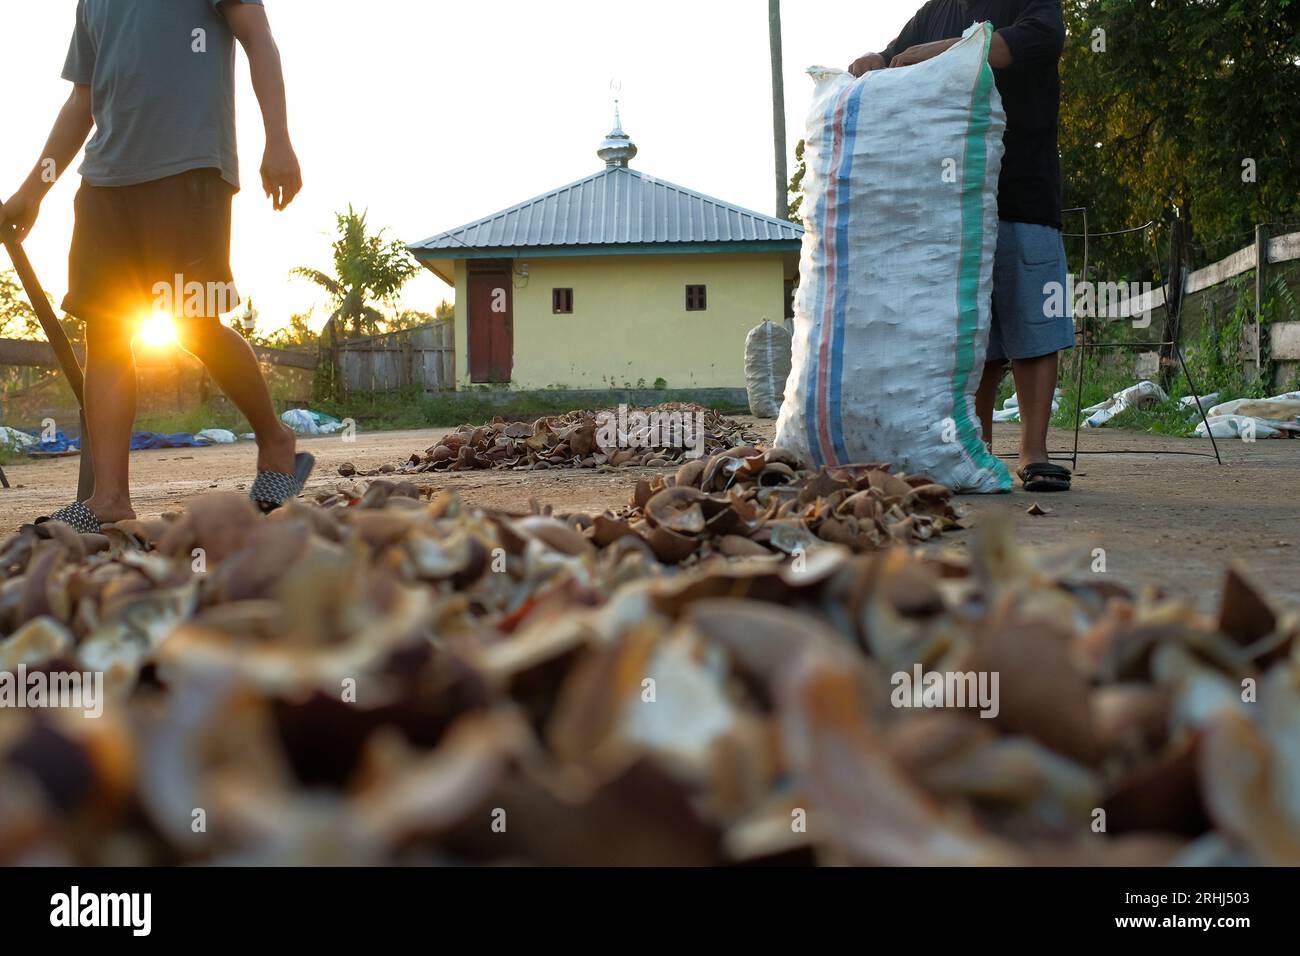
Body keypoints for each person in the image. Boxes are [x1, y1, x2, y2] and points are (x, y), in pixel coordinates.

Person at [1, 0, 312, 532]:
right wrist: (33, 192)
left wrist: (278, 138)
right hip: (104, 181)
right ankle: (110, 499)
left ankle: (275, 439)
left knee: (194, 319)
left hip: (189, 168)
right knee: (106, 332)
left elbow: (257, 37)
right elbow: (83, 100)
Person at [849, 0, 1073, 492]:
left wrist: (948, 50)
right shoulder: (934, 11)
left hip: (1024, 192)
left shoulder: (1034, 3)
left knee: (1034, 325)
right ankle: (977, 451)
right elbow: (892, 61)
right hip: (950, 203)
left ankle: (1034, 453)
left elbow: (1036, 41)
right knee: (976, 337)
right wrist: (873, 63)